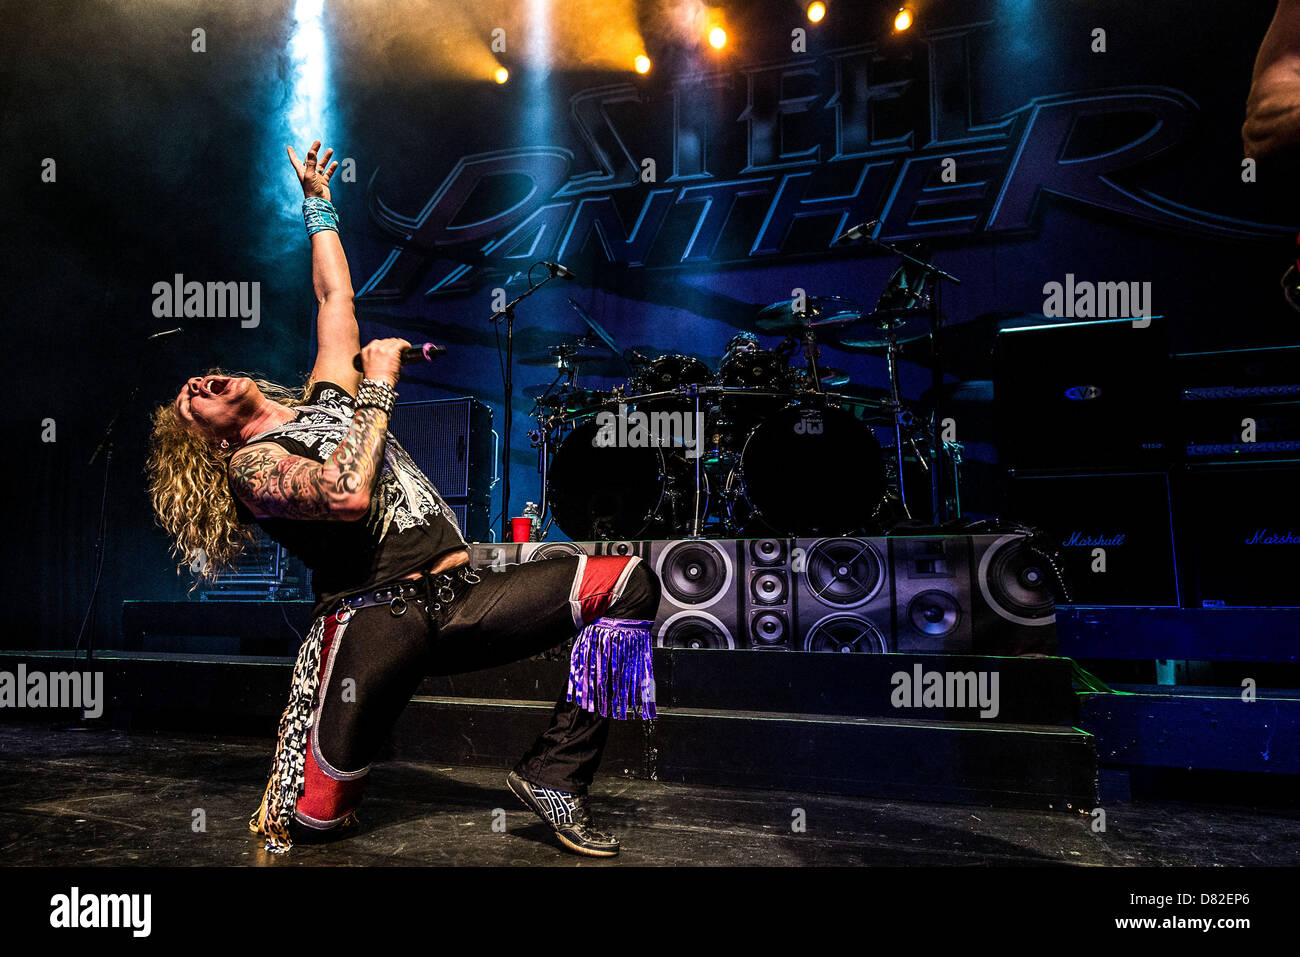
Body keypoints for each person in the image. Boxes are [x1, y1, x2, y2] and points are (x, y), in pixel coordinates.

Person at [146, 140, 661, 857]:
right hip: (373, 620)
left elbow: (335, 298)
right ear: (208, 443)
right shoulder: (253, 466)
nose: (201, 383)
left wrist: (318, 204)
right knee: (316, 821)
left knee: (628, 582)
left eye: (199, 377)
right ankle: (321, 788)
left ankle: (555, 773)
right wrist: (381, 383)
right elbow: (347, 496)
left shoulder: (325, 397)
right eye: (189, 401)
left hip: (459, 596)